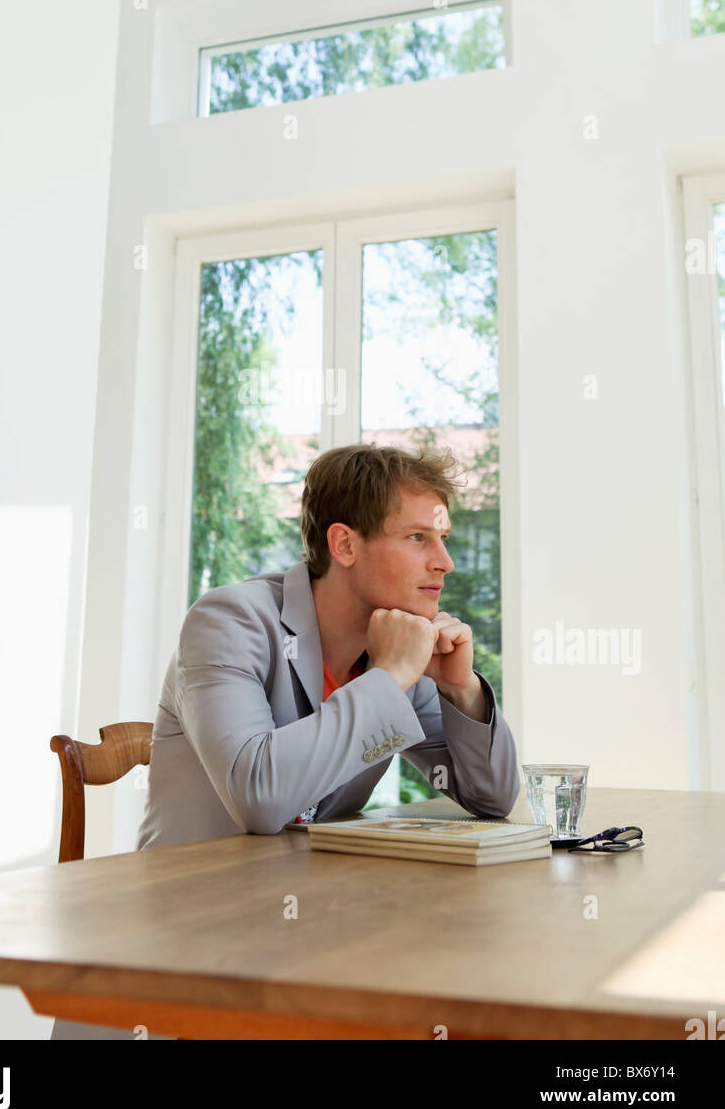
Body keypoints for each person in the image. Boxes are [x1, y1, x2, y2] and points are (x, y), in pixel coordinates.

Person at [51, 442, 519, 1039]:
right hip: (178, 955)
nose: (445, 562)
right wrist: (392, 677)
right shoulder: (230, 621)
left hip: (301, 934)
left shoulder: (394, 652)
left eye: (443, 539)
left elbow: (491, 799)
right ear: (344, 544)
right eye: (419, 539)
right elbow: (262, 798)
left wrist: (462, 691)